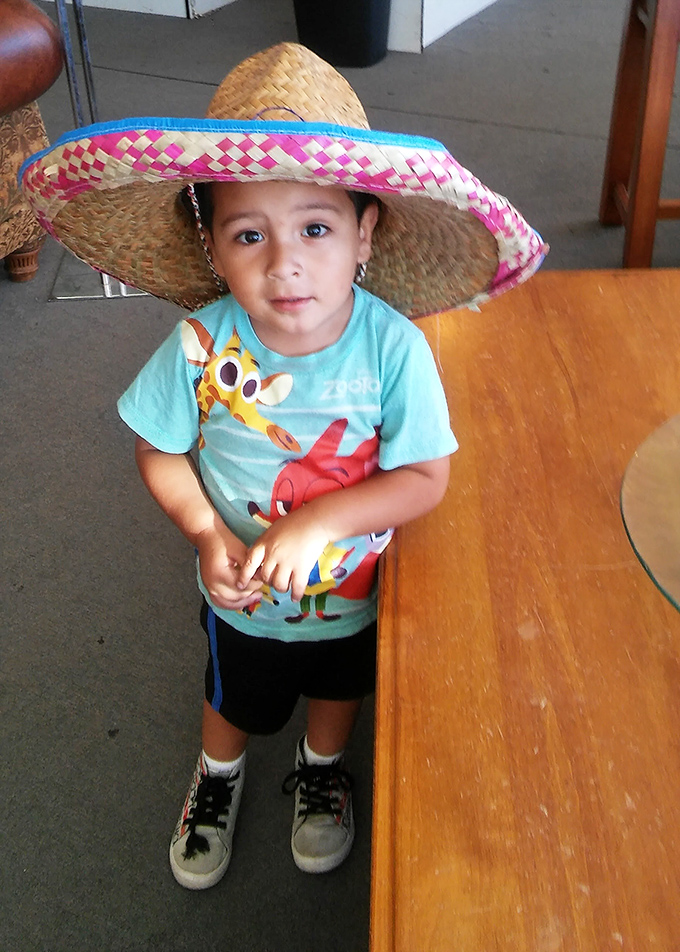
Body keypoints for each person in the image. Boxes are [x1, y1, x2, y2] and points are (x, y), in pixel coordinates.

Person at [19, 43, 545, 891]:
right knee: (234, 699)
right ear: (211, 246)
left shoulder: (394, 350)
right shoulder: (200, 344)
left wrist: (319, 522)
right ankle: (217, 776)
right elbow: (158, 446)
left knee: (340, 689)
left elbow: (425, 477)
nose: (283, 262)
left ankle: (321, 767)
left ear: (366, 232)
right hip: (242, 594)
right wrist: (204, 531)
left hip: (356, 588)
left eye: (315, 228)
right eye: (248, 234)